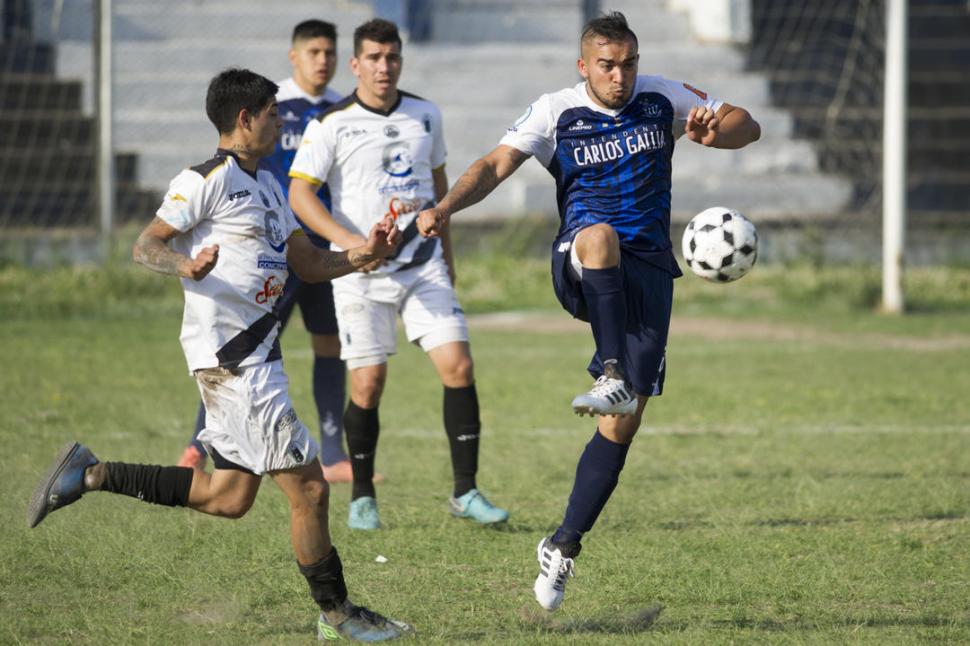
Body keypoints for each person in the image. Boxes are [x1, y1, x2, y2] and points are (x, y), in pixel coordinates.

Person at [27, 68, 411, 642]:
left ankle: (91, 472)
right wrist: (185, 265)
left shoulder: (271, 185)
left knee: (228, 497)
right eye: (274, 113)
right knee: (309, 489)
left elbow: (306, 264)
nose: (281, 122)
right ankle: (338, 614)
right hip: (235, 363)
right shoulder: (205, 178)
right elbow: (146, 244)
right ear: (245, 119)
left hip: (257, 359)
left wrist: (363, 255)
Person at [416, 12, 761, 610]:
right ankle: (611, 369)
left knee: (621, 426)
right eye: (607, 66)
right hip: (583, 255)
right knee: (598, 234)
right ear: (584, 67)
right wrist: (445, 207)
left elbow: (745, 126)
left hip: (651, 269)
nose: (620, 76)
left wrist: (714, 129)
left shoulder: (661, 96)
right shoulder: (556, 110)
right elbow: (496, 164)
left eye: (628, 63)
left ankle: (563, 545)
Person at [288, 18, 508, 530]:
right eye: (373, 58)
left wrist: (448, 260)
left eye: (392, 58)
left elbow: (439, 190)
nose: (383, 67)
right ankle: (362, 495)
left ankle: (466, 491)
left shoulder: (425, 115)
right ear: (356, 64)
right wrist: (352, 247)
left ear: (400, 61)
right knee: (367, 384)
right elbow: (300, 195)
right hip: (361, 274)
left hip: (423, 267)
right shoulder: (333, 123)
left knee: (459, 367)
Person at [176, 20, 379, 485]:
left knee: (329, 344)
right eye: (314, 51)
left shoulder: (344, 110)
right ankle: (196, 446)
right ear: (294, 57)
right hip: (270, 251)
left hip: (318, 248)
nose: (322, 60)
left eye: (330, 52)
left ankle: (332, 451)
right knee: (241, 350)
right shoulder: (270, 107)